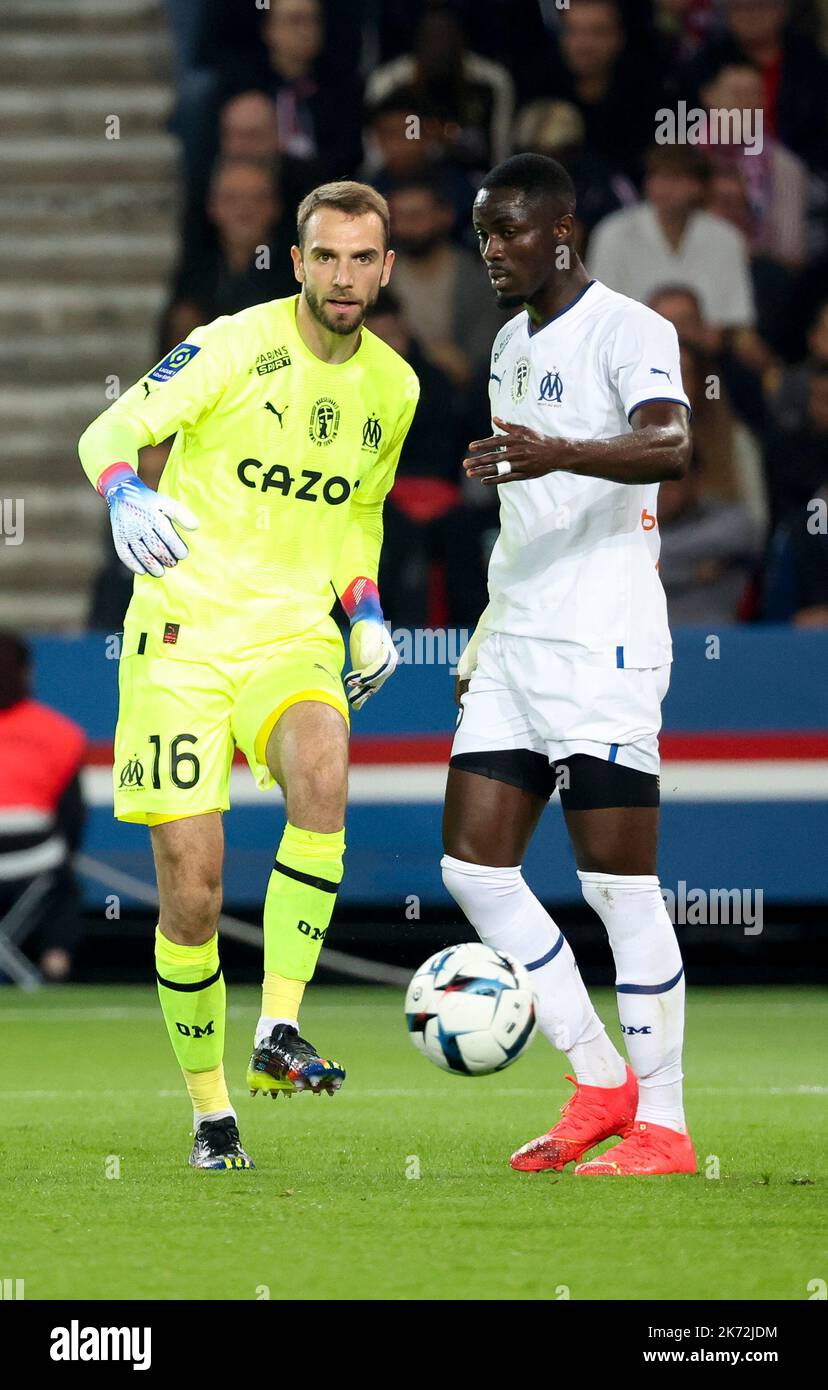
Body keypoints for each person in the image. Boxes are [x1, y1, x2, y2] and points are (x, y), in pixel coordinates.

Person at [77, 181, 419, 1172]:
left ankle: (278, 1029)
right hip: (182, 635)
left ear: (386, 269)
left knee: (323, 768)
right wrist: (126, 490)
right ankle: (212, 1114)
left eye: (364, 259)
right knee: (193, 890)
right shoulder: (231, 344)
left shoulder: (394, 389)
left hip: (288, 639)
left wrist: (363, 613)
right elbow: (105, 433)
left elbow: (358, 515)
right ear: (298, 259)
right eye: (328, 257)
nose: (345, 277)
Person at [441, 153, 697, 1177]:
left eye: (507, 230)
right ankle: (598, 1078)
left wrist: (560, 450)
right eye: (482, 233)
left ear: (562, 230)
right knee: (473, 866)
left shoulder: (631, 328)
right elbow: (524, 509)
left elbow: (671, 442)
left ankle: (667, 1125)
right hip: (519, 635)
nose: (491, 249)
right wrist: (486, 628)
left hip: (606, 641)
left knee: (618, 889)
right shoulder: (507, 342)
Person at [0, 635, 87, 984]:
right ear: (26, 673)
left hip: (30, 857)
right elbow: (72, 818)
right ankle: (56, 960)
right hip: (35, 864)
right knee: (63, 883)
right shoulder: (60, 732)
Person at [387, 178, 505, 388]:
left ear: (444, 216)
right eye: (399, 217)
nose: (407, 226)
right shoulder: (380, 278)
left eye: (416, 215)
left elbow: (483, 351)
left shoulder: (476, 276)